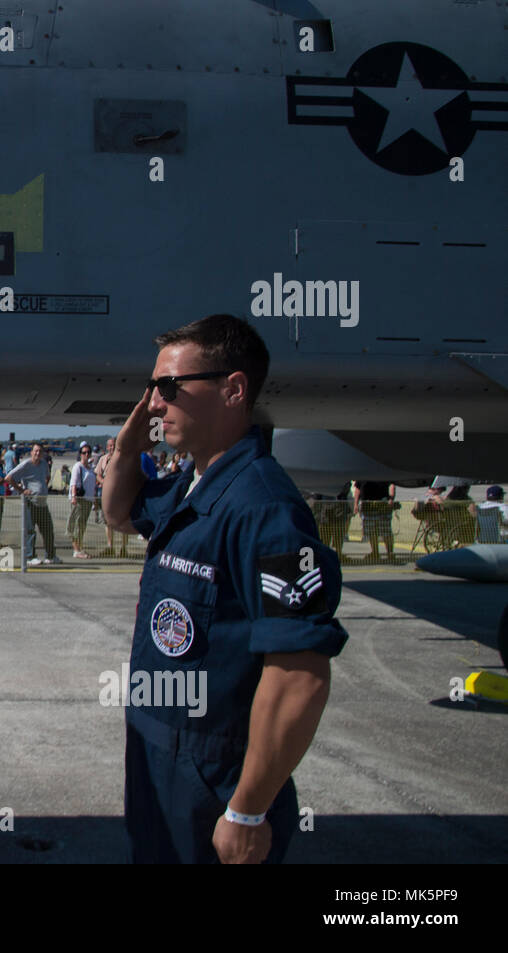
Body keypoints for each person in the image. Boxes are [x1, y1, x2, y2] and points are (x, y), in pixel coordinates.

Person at [102, 313, 347, 864]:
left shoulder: (266, 509)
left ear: (233, 389)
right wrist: (126, 446)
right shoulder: (195, 484)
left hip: (213, 772)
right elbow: (118, 514)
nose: (154, 403)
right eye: (150, 389)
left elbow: (300, 674)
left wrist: (247, 810)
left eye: (168, 387)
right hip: (158, 747)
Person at [6, 443, 60, 565]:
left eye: (40, 451)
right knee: (30, 531)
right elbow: (9, 477)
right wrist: (22, 490)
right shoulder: (26, 464)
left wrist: (43, 487)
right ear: (31, 452)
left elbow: (47, 476)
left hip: (42, 503)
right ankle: (30, 557)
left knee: (48, 530)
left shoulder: (44, 464)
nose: (37, 453)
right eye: (35, 451)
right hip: (30, 503)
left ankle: (51, 556)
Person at [96, 436, 127, 557]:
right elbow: (98, 474)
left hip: (119, 494)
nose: (112, 447)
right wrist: (104, 482)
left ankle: (123, 548)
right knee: (107, 521)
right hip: (106, 494)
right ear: (107, 447)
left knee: (122, 520)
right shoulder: (103, 459)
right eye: (110, 445)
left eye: (114, 445)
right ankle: (110, 546)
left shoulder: (122, 459)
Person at [353, 480, 395, 562]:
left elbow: (392, 485)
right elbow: (357, 489)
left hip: (383, 506)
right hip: (367, 506)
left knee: (386, 531)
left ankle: (390, 553)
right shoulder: (362, 474)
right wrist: (355, 504)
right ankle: (375, 553)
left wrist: (391, 498)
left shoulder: (383, 472)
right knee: (371, 532)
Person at [67, 443, 97, 559]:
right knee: (76, 525)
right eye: (84, 452)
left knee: (82, 525)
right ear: (80, 454)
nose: (86, 454)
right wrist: (74, 496)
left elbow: (92, 485)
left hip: (88, 500)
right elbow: (73, 483)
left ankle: (80, 547)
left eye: (88, 452)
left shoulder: (90, 468)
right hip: (80, 499)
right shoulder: (77, 466)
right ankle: (76, 550)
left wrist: (94, 501)